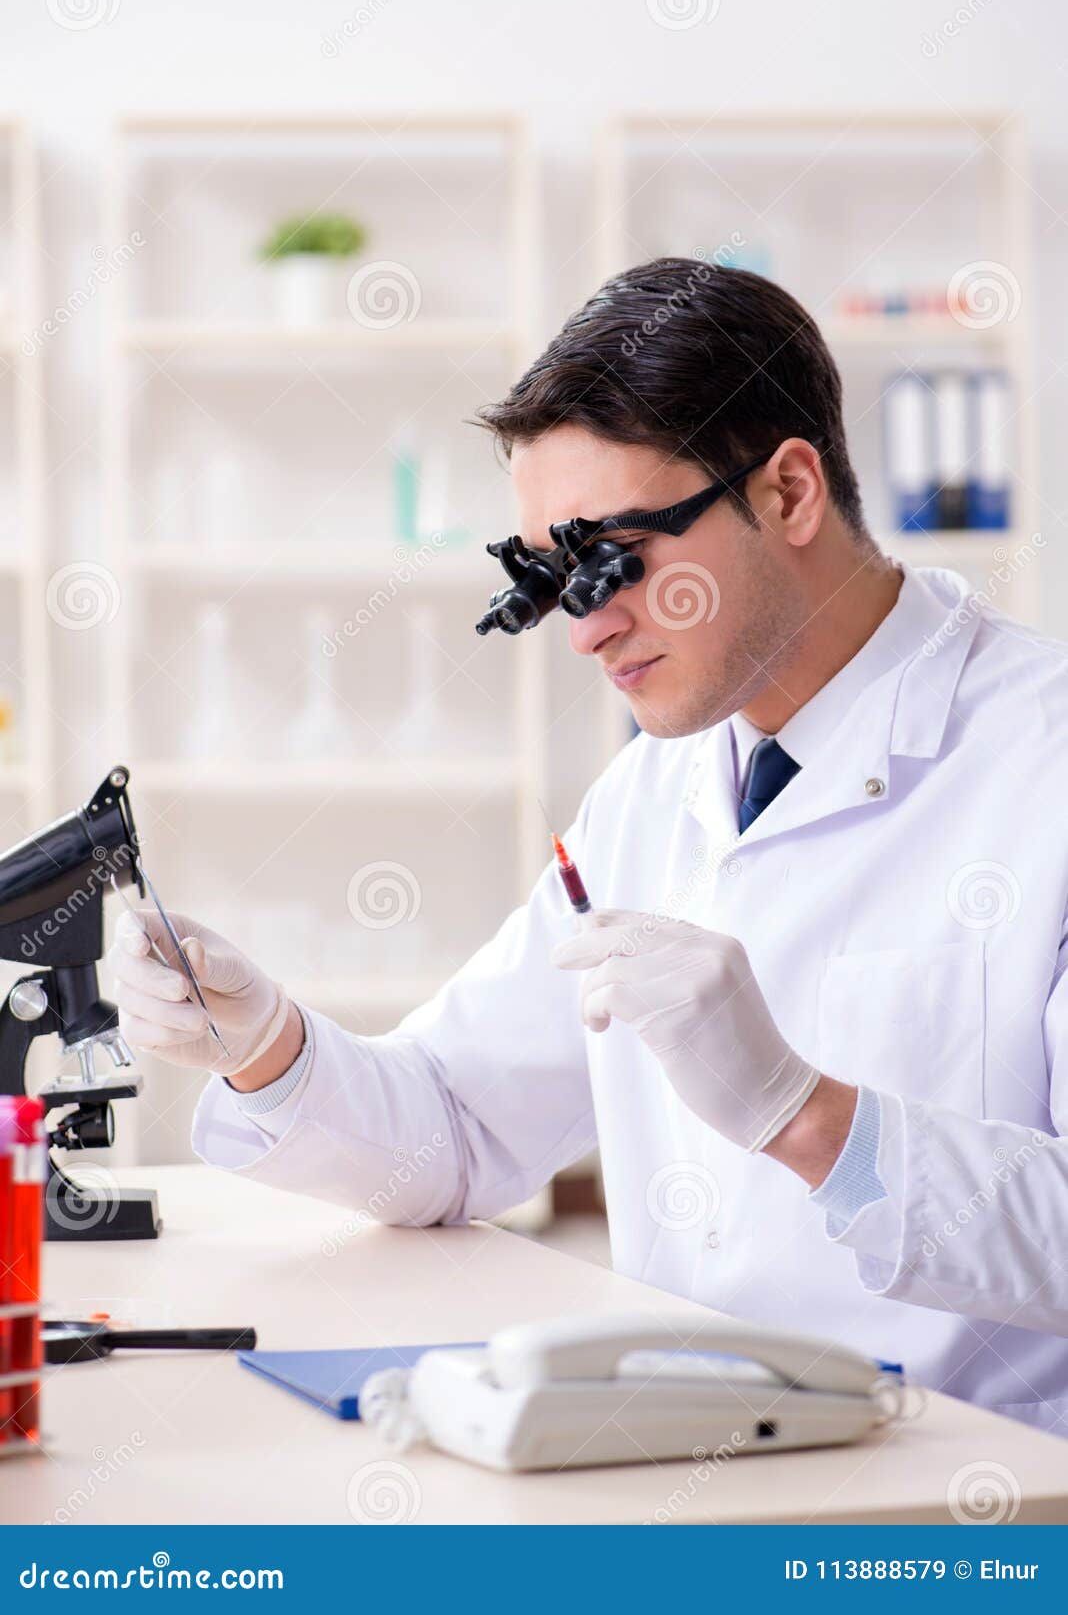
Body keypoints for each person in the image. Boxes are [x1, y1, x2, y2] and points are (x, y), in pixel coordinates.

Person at [109, 258, 1068, 1436]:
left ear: (789, 492)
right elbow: (457, 1132)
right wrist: (267, 1045)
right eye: (553, 576)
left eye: (616, 557)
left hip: (976, 1499)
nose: (587, 625)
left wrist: (807, 1115)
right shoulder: (652, 790)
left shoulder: (1042, 763)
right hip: (678, 1463)